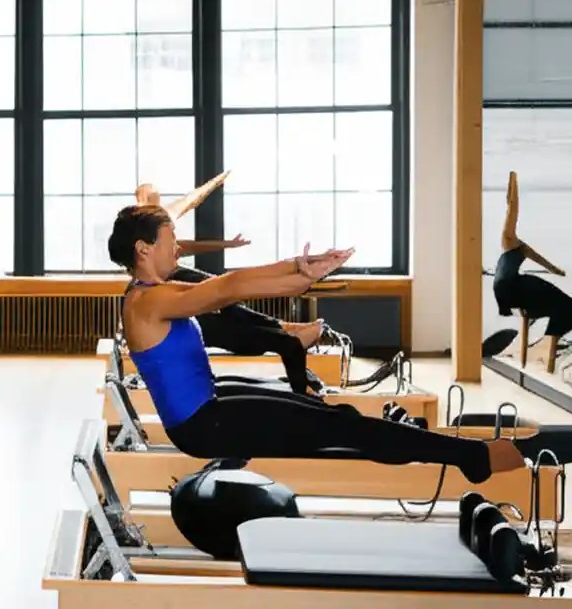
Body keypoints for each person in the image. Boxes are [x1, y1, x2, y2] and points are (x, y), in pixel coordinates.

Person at [110, 203, 528, 483]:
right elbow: (228, 288)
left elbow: (233, 287)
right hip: (203, 426)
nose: (178, 245)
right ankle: (470, 458)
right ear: (144, 249)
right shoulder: (150, 301)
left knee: (321, 410)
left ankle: (426, 443)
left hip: (207, 408)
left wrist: (303, 273)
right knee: (341, 427)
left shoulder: (151, 290)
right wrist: (297, 268)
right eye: (172, 237)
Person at [135, 183, 325, 394]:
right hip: (174, 302)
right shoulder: (143, 236)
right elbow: (228, 283)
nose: (176, 248)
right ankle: (285, 332)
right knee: (226, 296)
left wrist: (229, 245)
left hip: (178, 299)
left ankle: (284, 329)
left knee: (225, 294)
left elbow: (229, 282)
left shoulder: (158, 241)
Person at [494, 170, 572, 344]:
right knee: (566, 306)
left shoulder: (519, 246)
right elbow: (512, 209)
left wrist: (556, 271)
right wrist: (514, 184)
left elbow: (542, 261)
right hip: (512, 288)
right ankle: (550, 340)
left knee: (563, 304)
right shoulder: (509, 238)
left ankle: (549, 338)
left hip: (508, 290)